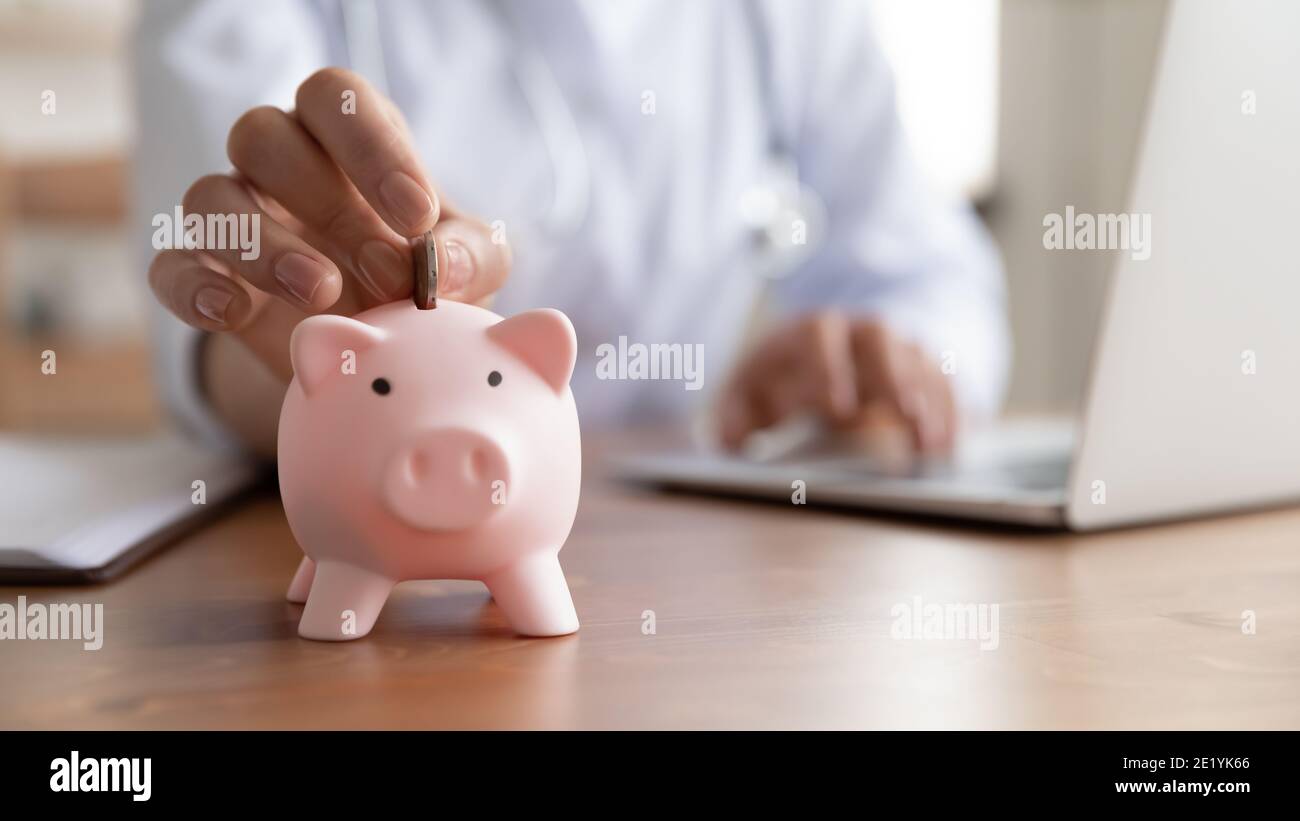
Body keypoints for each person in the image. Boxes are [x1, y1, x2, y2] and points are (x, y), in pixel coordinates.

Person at [135, 0, 1008, 461]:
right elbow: (232, 316)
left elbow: (930, 282)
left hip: (696, 566)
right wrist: (331, 346)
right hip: (355, 535)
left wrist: (863, 373)